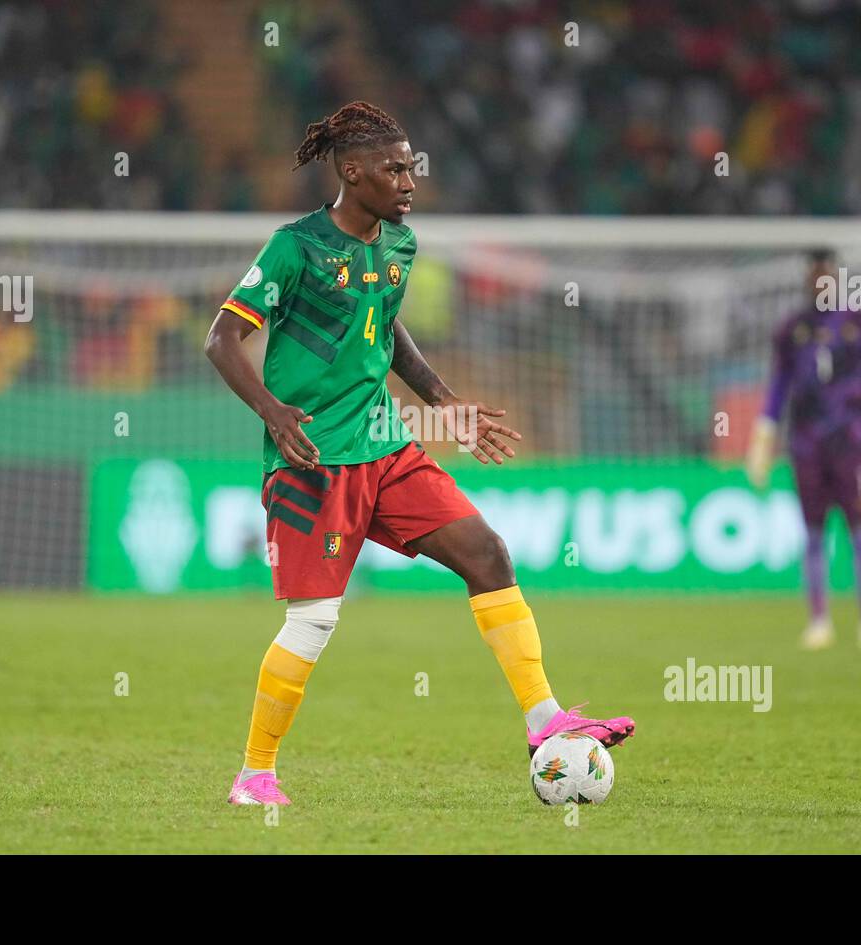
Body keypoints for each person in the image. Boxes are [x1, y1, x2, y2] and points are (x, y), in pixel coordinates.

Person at [205, 101, 634, 806]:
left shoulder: (397, 244)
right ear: (352, 171)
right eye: (394, 168)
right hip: (315, 458)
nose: (410, 180)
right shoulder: (295, 247)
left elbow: (384, 325)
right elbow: (221, 338)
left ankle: (543, 718)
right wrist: (272, 411)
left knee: (487, 553)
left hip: (386, 447)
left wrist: (443, 402)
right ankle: (255, 774)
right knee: (312, 622)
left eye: (411, 167)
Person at [746, 250, 861, 651]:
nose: (820, 282)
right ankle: (819, 620)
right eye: (814, 275)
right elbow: (778, 386)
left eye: (826, 275)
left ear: (837, 278)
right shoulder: (792, 330)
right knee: (813, 535)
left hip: (851, 445)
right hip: (806, 447)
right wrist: (762, 435)